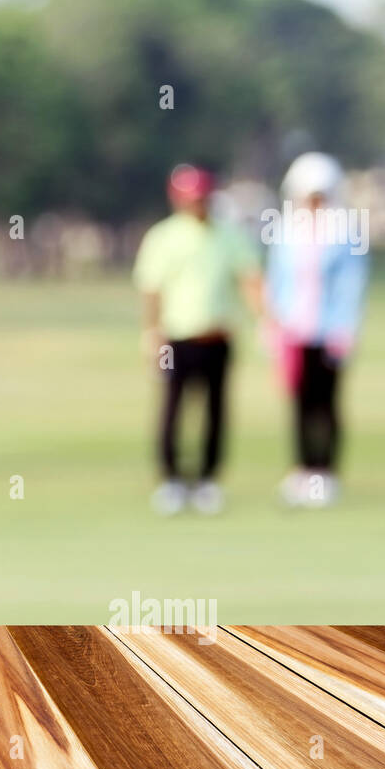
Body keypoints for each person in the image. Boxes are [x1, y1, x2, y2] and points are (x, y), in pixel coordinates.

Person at [134, 164, 264, 515]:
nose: (197, 204)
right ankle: (172, 480)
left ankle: (208, 480)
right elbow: (152, 292)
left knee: (216, 410)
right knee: (173, 409)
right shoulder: (164, 237)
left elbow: (250, 280)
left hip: (218, 335)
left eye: (202, 197)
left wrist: (265, 320)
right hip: (176, 338)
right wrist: (152, 335)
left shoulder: (229, 235)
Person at [268, 152, 370, 508]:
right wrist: (273, 326)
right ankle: (302, 470)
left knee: (326, 404)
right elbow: (276, 282)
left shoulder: (345, 231)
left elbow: (352, 284)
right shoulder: (285, 230)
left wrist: (346, 328)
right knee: (299, 403)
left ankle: (325, 472)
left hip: (330, 330)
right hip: (294, 330)